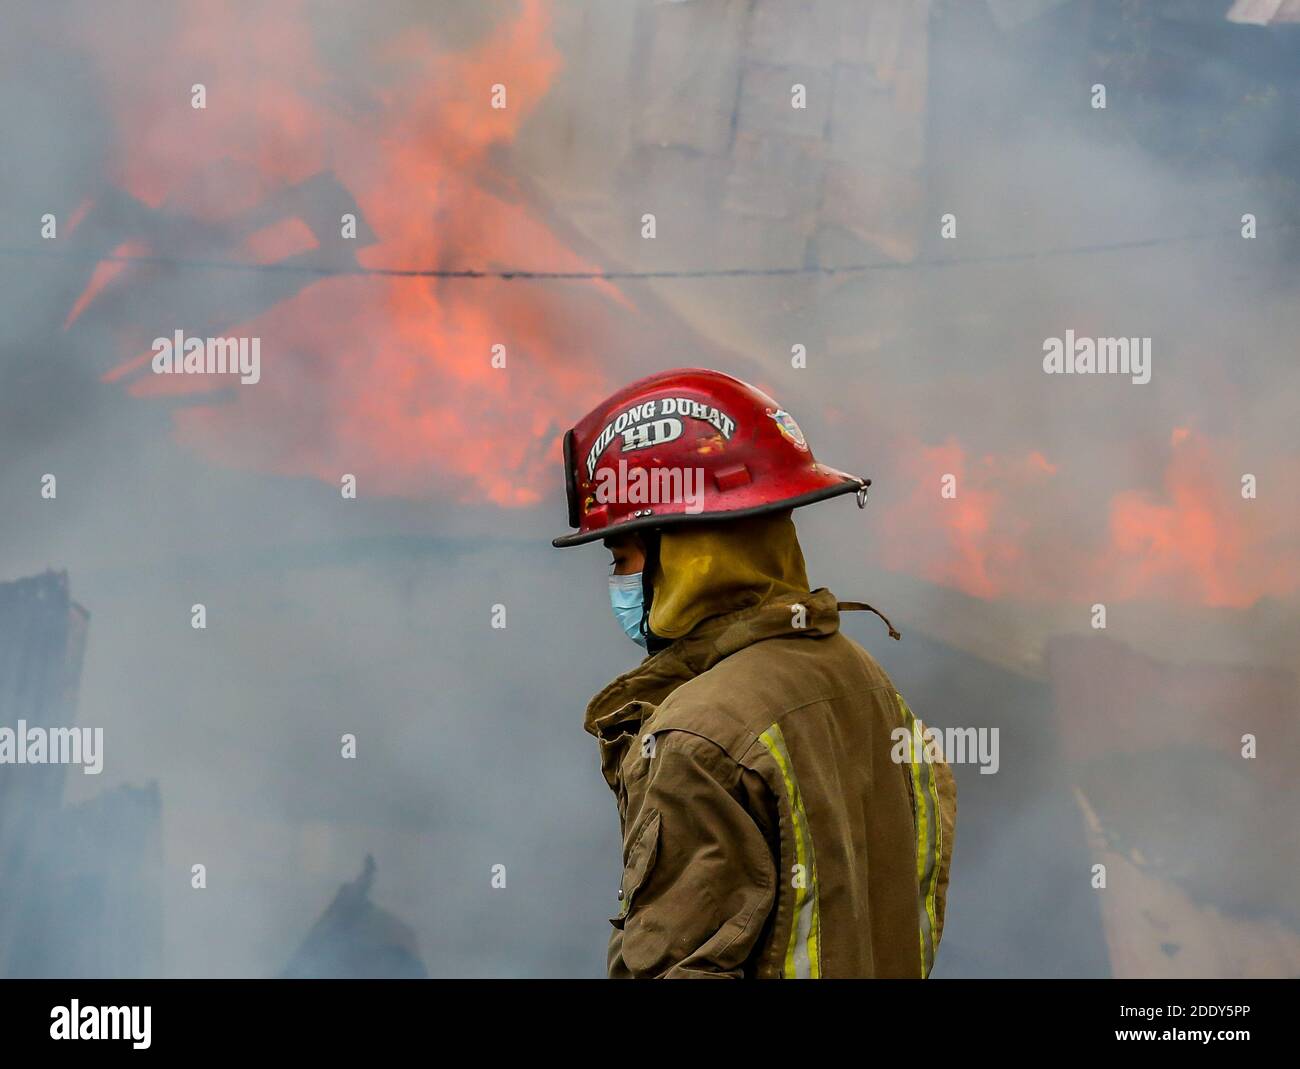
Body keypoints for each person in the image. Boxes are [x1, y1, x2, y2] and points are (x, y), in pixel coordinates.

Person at [553, 368, 956, 978]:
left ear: (687, 549)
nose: (619, 583)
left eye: (623, 556)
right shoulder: (863, 679)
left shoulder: (696, 735)